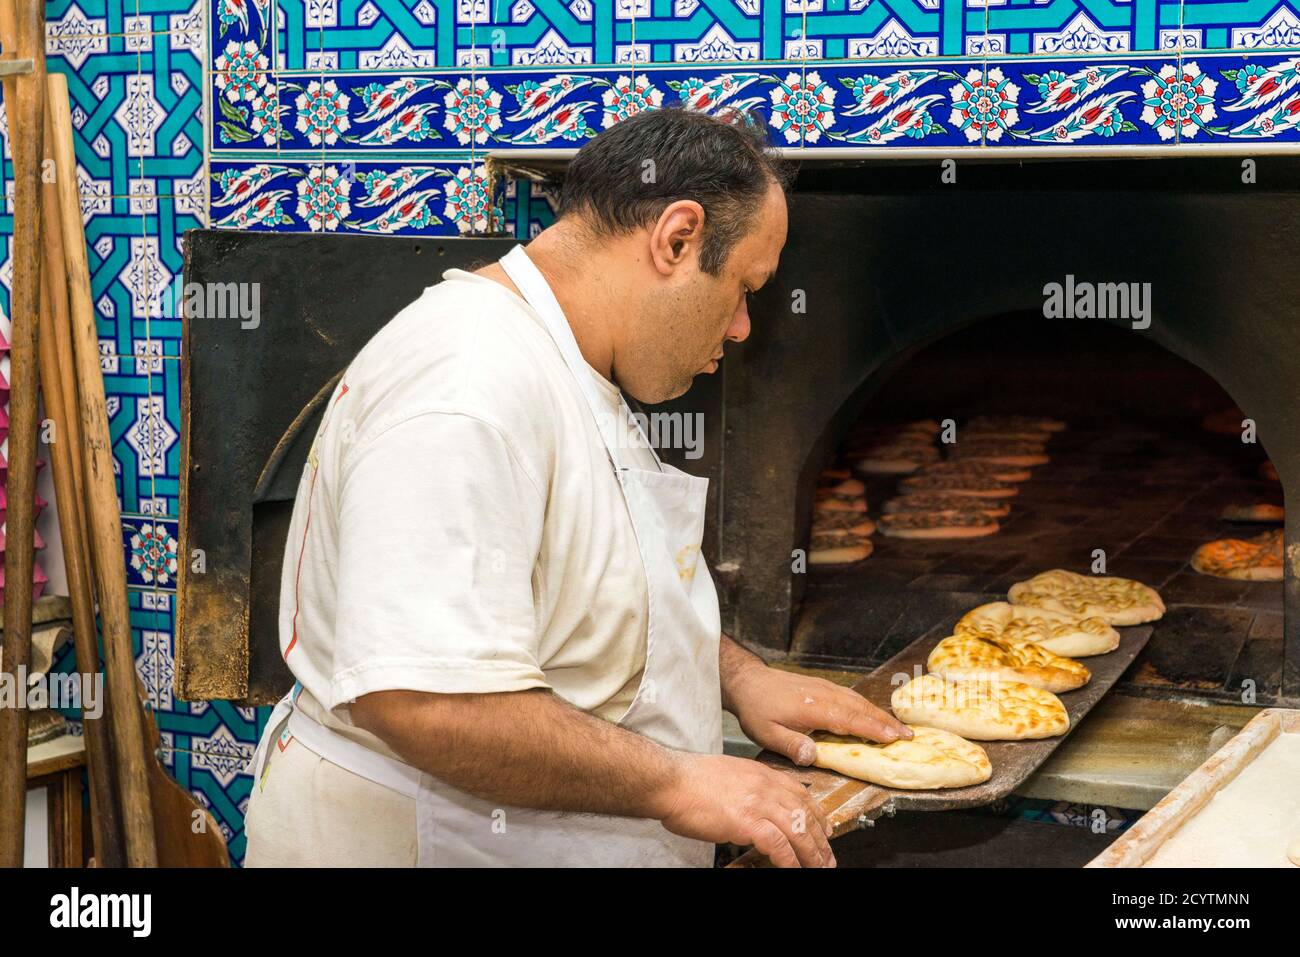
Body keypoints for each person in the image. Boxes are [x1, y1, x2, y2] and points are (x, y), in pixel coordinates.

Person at [244, 107, 911, 868]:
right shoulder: (465, 385)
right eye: (743, 287)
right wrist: (680, 783)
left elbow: (584, 594)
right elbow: (425, 699)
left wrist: (735, 676)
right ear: (677, 239)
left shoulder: (564, 359)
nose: (741, 327)